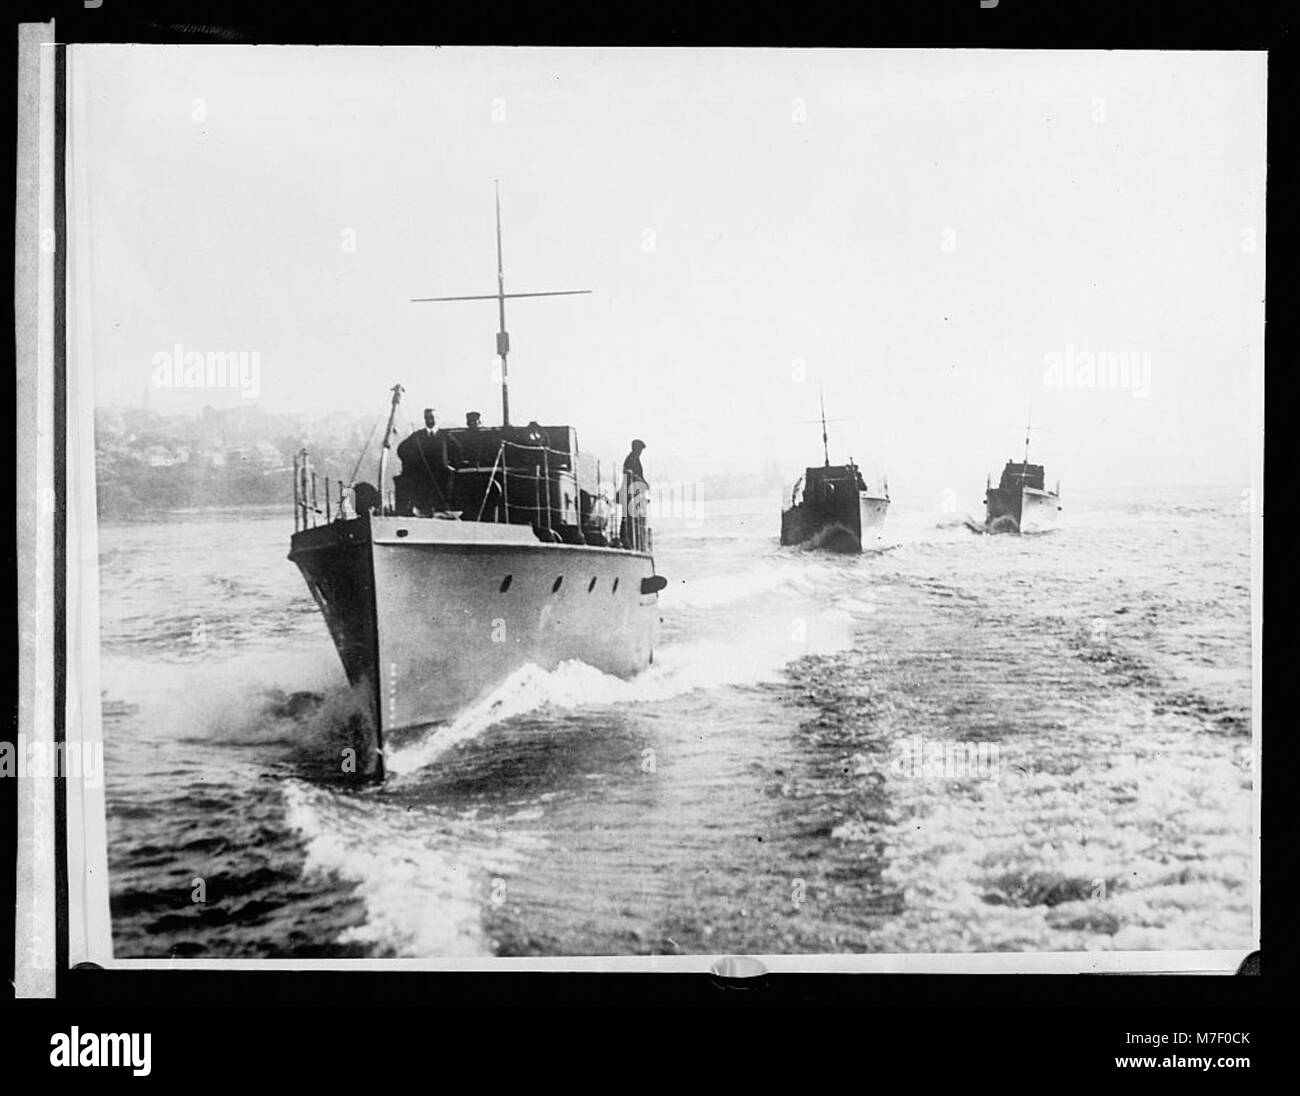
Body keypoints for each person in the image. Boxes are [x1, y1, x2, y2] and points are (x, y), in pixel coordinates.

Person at [396, 408, 461, 516]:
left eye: (433, 417)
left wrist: (451, 466)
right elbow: (402, 449)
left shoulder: (444, 436)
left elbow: (458, 450)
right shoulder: (418, 436)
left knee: (441, 508)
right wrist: (411, 465)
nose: (430, 420)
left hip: (441, 476)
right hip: (423, 476)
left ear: (438, 419)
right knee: (423, 506)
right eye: (427, 418)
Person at [620, 439, 649, 548]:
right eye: (640, 449)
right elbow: (630, 474)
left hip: (634, 493)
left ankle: (629, 540)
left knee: (631, 518)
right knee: (629, 519)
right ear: (635, 449)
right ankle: (627, 540)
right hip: (630, 494)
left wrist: (645, 483)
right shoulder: (631, 460)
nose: (640, 452)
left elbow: (639, 476)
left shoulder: (635, 459)